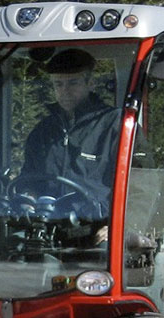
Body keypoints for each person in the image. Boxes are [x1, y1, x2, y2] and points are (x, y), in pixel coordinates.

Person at [20, 48, 120, 243]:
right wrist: (27, 200)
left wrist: (120, 227)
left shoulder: (116, 125)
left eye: (73, 83)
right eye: (58, 84)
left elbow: (142, 188)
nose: (64, 91)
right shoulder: (43, 131)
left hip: (99, 230)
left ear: (90, 83)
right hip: (48, 228)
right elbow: (28, 178)